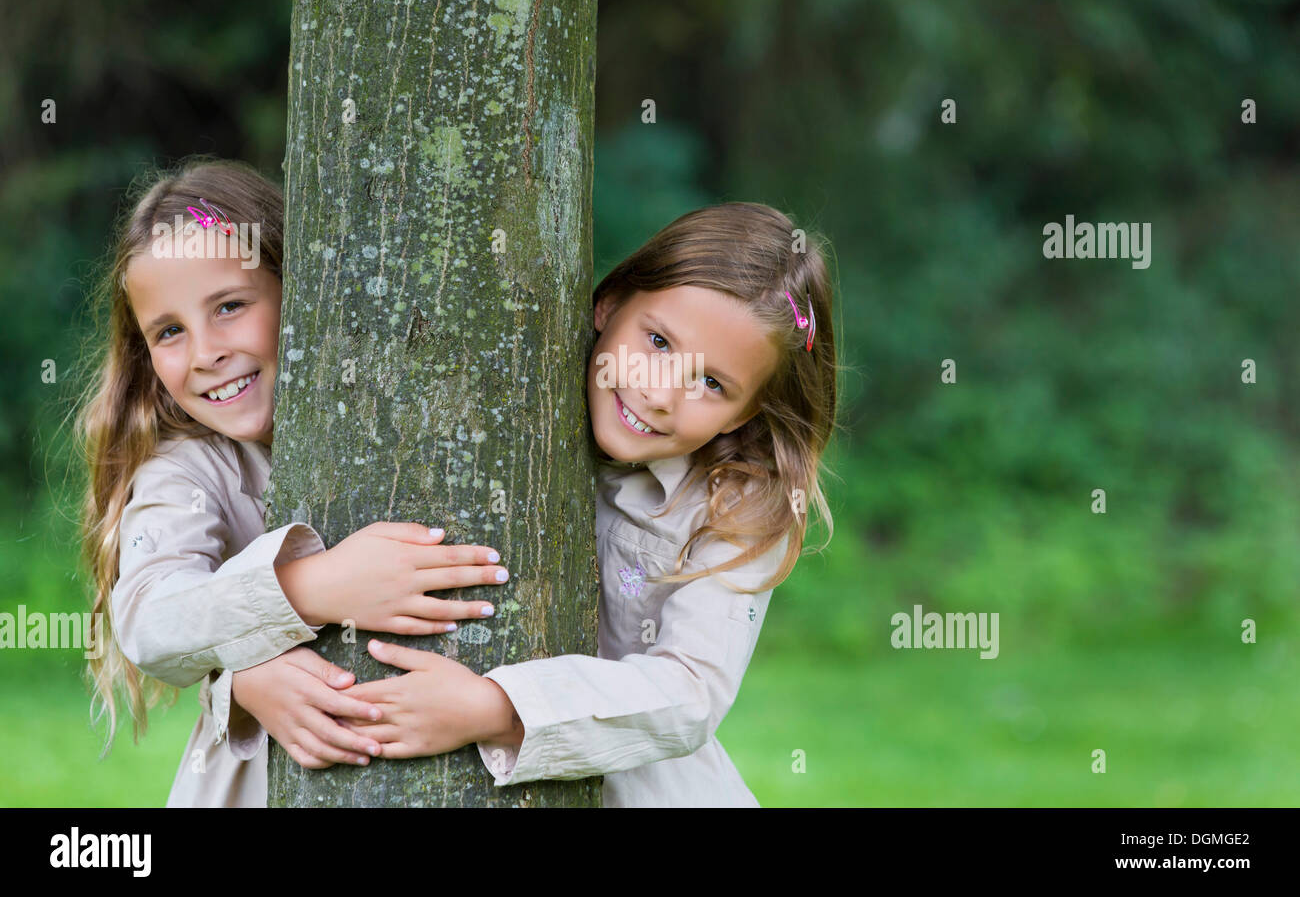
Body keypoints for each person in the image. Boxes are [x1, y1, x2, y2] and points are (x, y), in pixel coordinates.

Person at [338, 202, 840, 806]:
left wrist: (497, 708)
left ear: (747, 411)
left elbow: (691, 693)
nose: (659, 394)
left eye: (711, 383)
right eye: (657, 342)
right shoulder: (526, 400)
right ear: (609, 304)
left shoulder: (737, 506)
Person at [76, 156, 506, 806]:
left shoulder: (404, 413)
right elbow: (151, 619)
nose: (205, 352)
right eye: (169, 331)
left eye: (229, 306)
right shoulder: (191, 469)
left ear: (300, 287)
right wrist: (309, 592)